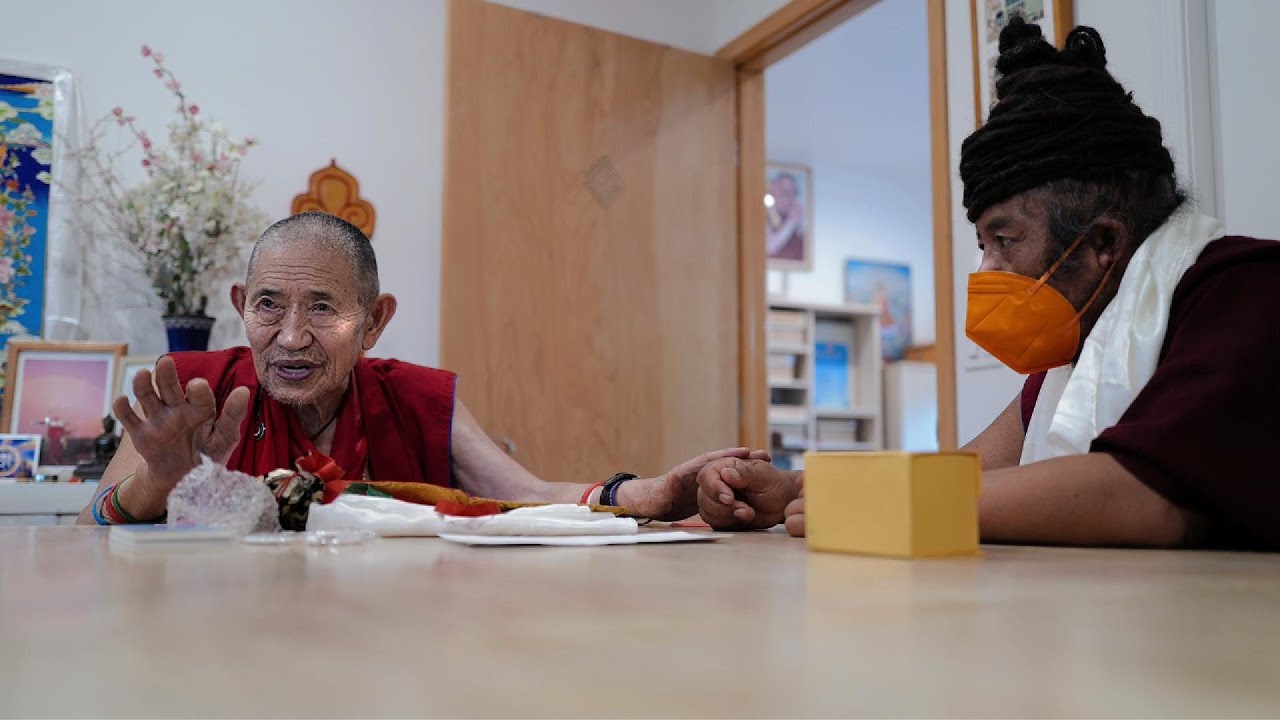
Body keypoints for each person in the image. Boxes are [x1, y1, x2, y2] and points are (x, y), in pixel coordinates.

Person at [698, 18, 1280, 550]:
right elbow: (965, 472)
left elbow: (1146, 494)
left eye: (1005, 240)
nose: (987, 271)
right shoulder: (1075, 353)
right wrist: (795, 489)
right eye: (983, 245)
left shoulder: (1243, 291)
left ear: (1104, 243)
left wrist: (868, 503)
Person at [79, 212, 765, 525]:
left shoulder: (410, 396)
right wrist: (156, 484)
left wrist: (645, 494)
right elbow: (89, 530)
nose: (289, 336)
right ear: (239, 307)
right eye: (268, 305)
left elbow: (523, 494)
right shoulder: (198, 390)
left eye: (322, 307)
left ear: (374, 320)